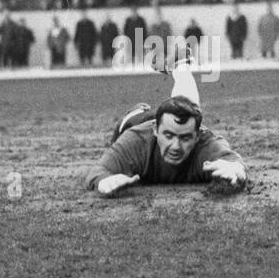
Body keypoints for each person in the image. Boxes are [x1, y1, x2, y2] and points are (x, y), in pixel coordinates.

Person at [84, 54, 247, 196]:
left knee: (188, 108)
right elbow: (98, 171)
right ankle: (180, 67)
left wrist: (236, 170)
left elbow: (233, 162)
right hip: (137, 120)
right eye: (168, 136)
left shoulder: (206, 144)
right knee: (183, 108)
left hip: (169, 121)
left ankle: (180, 67)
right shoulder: (135, 141)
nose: (175, 146)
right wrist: (105, 181)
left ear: (197, 137)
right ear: (155, 130)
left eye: (185, 138)